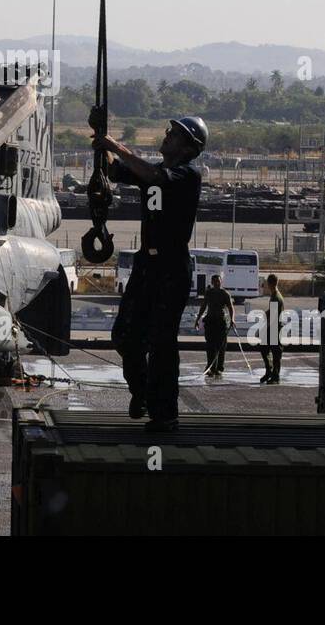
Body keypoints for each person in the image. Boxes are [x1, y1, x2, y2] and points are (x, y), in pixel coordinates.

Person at [98, 116, 207, 432]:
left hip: (171, 268)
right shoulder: (156, 176)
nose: (167, 136)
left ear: (188, 148)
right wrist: (102, 146)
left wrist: (114, 146)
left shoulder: (186, 176)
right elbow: (116, 170)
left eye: (174, 135)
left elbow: (151, 174)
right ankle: (142, 393)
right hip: (147, 265)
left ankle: (165, 414)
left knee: (161, 342)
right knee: (125, 336)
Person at [194, 273, 234, 378]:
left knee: (221, 346)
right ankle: (210, 367)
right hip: (210, 322)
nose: (217, 283)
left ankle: (219, 368)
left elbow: (230, 307)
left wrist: (232, 319)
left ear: (221, 282)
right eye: (215, 281)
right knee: (210, 346)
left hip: (221, 323)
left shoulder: (225, 293)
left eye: (218, 281)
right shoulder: (209, 293)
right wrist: (198, 319)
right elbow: (203, 306)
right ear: (212, 282)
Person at [258, 273, 285, 383]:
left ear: (270, 284)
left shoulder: (275, 297)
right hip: (274, 327)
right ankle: (269, 371)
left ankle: (275, 376)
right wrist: (265, 313)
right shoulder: (275, 295)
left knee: (275, 353)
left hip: (275, 328)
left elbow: (273, 317)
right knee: (264, 349)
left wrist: (263, 329)